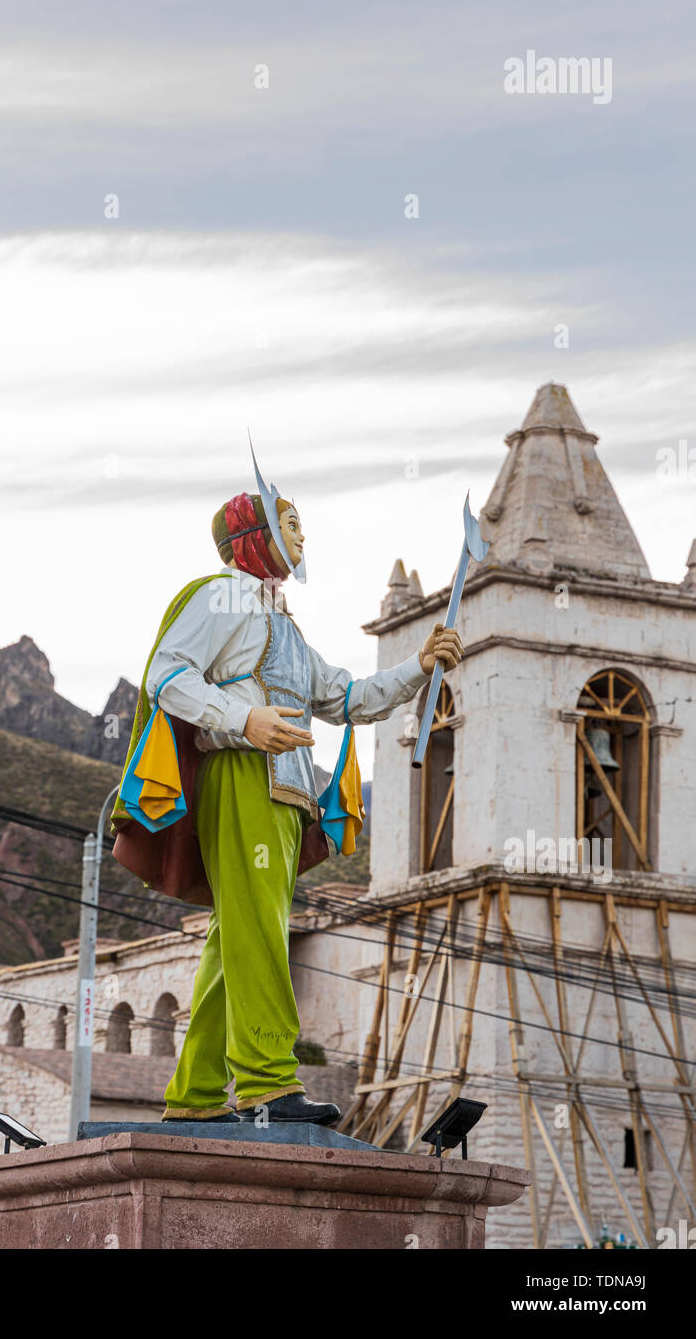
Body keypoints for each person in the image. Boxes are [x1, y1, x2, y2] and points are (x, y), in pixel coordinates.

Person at [111, 451, 463, 1125]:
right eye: (290, 523)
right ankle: (270, 1083)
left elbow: (349, 699)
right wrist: (242, 719)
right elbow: (166, 674)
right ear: (254, 536)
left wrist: (419, 666)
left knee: (235, 935)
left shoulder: (284, 626)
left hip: (286, 795)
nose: (303, 536)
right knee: (258, 931)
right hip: (242, 778)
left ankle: (194, 1096)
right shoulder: (220, 596)